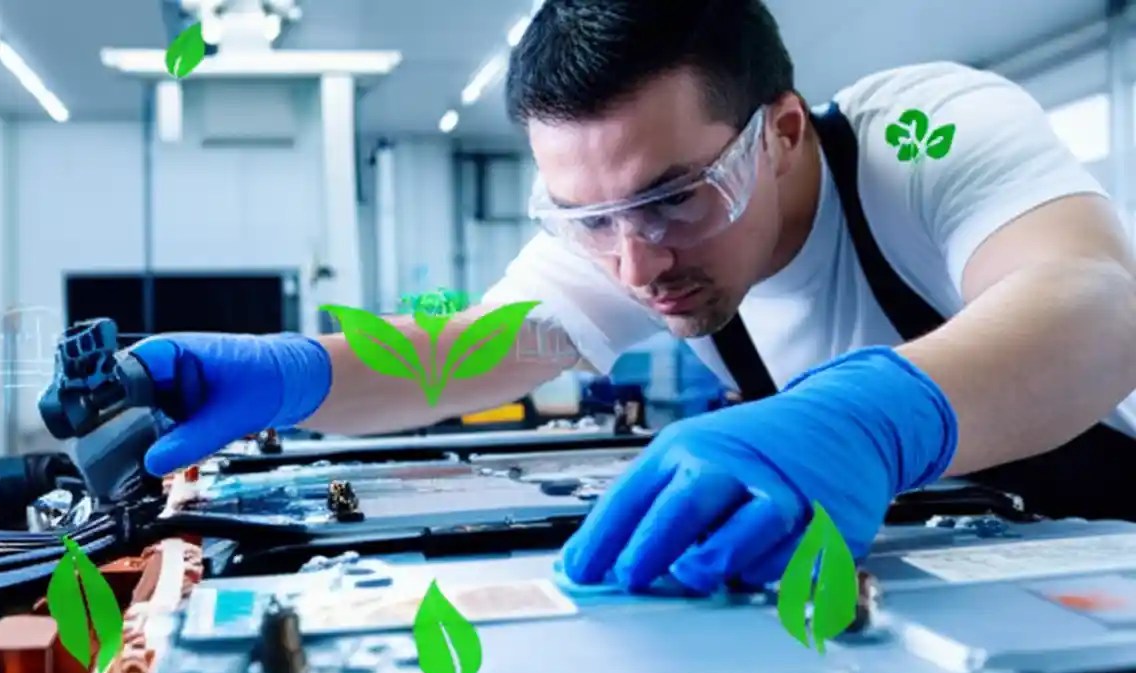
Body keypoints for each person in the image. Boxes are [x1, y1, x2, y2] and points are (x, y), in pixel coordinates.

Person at [127, 0, 1136, 595]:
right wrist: (289, 374)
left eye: (671, 198)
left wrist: (867, 419)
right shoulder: (630, 231)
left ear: (780, 132)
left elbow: (1093, 303)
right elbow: (469, 349)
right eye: (585, 217)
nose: (632, 260)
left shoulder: (923, 131)